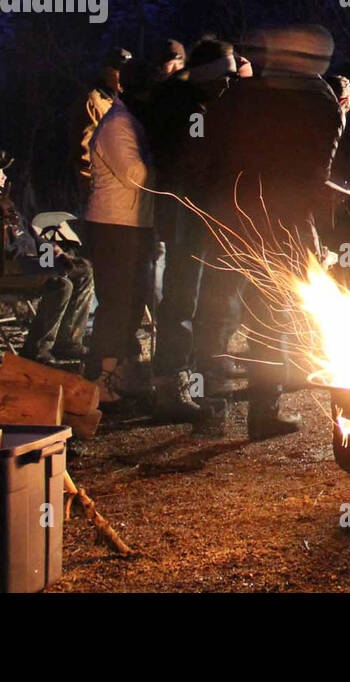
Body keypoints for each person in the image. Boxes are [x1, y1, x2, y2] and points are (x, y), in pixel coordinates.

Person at [191, 25, 347, 440]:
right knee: (269, 313)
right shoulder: (320, 101)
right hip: (282, 220)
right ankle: (263, 411)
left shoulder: (238, 95)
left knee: (215, 308)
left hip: (230, 211)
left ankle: (205, 404)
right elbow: (318, 172)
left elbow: (208, 151)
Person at [145, 37, 239, 417]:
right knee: (182, 300)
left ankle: (184, 379)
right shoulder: (191, 111)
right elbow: (190, 161)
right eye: (225, 77)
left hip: (188, 213)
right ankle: (172, 388)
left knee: (189, 299)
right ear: (208, 76)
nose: (230, 85)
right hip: (186, 215)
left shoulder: (185, 102)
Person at [0, 150, 94, 364]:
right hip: (5, 273)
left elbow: (32, 236)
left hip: (29, 265)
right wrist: (40, 259)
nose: (5, 177)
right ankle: (36, 350)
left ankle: (68, 342)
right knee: (61, 285)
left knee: (82, 270)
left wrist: (52, 250)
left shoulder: (5, 203)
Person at [82, 63, 157, 404]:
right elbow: (135, 175)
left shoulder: (133, 123)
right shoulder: (117, 126)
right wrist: (165, 165)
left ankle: (120, 373)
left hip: (131, 224)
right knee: (116, 303)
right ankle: (101, 378)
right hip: (114, 227)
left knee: (132, 301)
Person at [69, 46, 132, 203]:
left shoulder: (122, 100)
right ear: (106, 71)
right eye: (119, 69)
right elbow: (84, 155)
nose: (124, 75)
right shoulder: (93, 102)